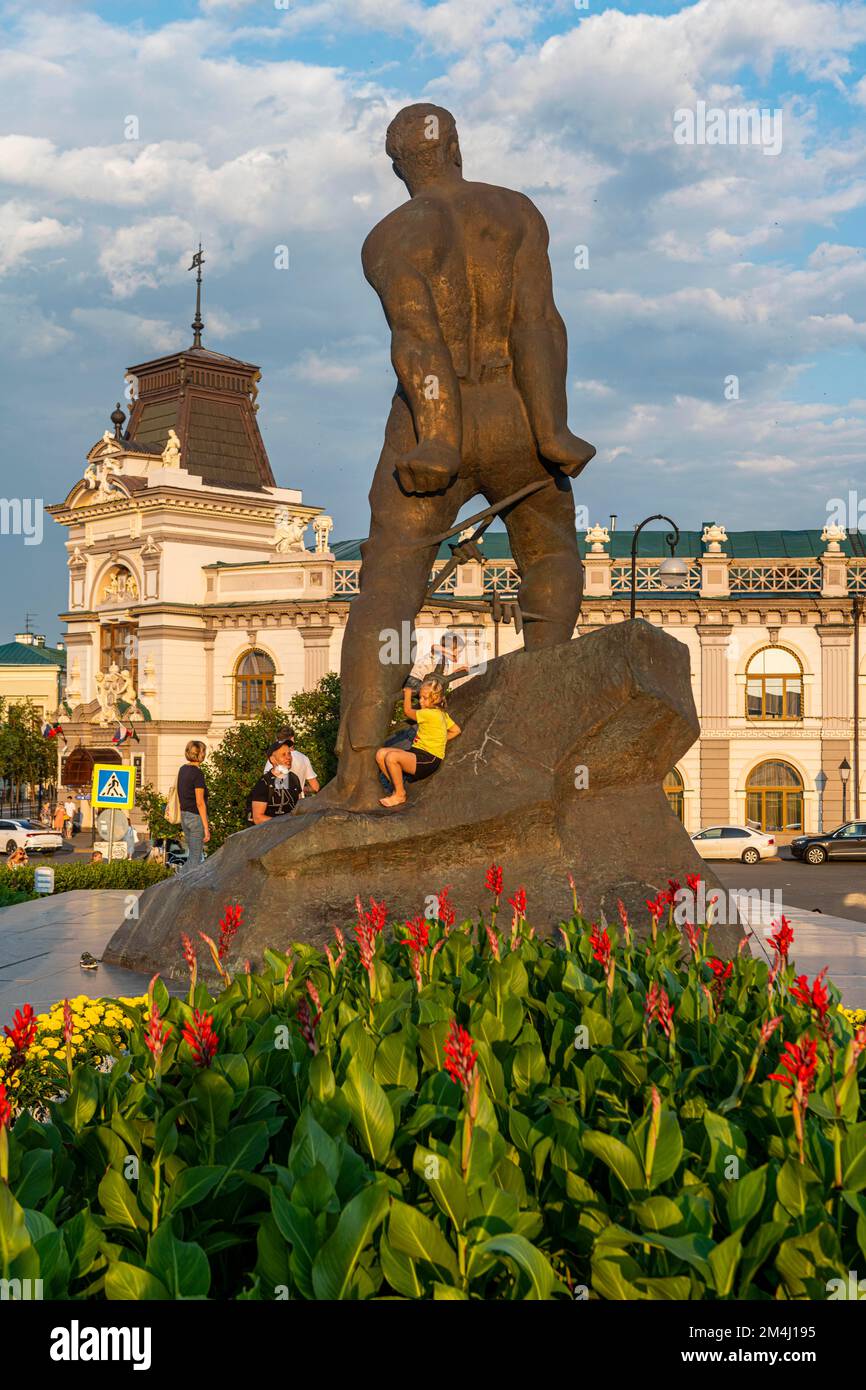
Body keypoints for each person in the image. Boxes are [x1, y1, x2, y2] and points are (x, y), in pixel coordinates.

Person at [376, 676, 460, 808]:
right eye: (420, 697)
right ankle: (397, 787)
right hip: (417, 753)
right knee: (381, 754)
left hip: (428, 759)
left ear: (436, 699)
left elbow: (408, 711)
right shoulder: (442, 714)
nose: (421, 701)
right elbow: (456, 730)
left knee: (391, 757)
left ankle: (400, 795)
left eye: (425, 698)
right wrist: (439, 740)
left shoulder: (428, 713)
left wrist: (408, 694)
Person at [249, 739, 303, 823]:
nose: (288, 757)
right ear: (273, 759)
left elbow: (300, 807)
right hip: (270, 833)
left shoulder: (293, 778)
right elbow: (258, 818)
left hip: (293, 832)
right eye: (283, 754)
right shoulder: (264, 783)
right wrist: (284, 822)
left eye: (289, 754)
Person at [177, 740, 210, 872]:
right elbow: (199, 802)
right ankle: (178, 883)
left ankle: (179, 882)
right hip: (196, 818)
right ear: (200, 754)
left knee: (193, 856)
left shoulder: (183, 769)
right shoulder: (197, 774)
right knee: (195, 859)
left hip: (184, 816)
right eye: (204, 751)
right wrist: (206, 827)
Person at [404, 631, 469, 698]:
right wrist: (452, 653)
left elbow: (442, 678)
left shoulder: (445, 663)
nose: (459, 654)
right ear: (449, 648)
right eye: (458, 651)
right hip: (414, 680)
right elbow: (434, 647)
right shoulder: (437, 654)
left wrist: (459, 670)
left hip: (423, 682)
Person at [263, 727, 319, 796]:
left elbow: (270, 785)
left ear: (277, 740)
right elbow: (315, 787)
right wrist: (301, 789)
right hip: (300, 804)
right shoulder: (304, 758)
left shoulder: (275, 758)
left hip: (281, 804)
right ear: (293, 739)